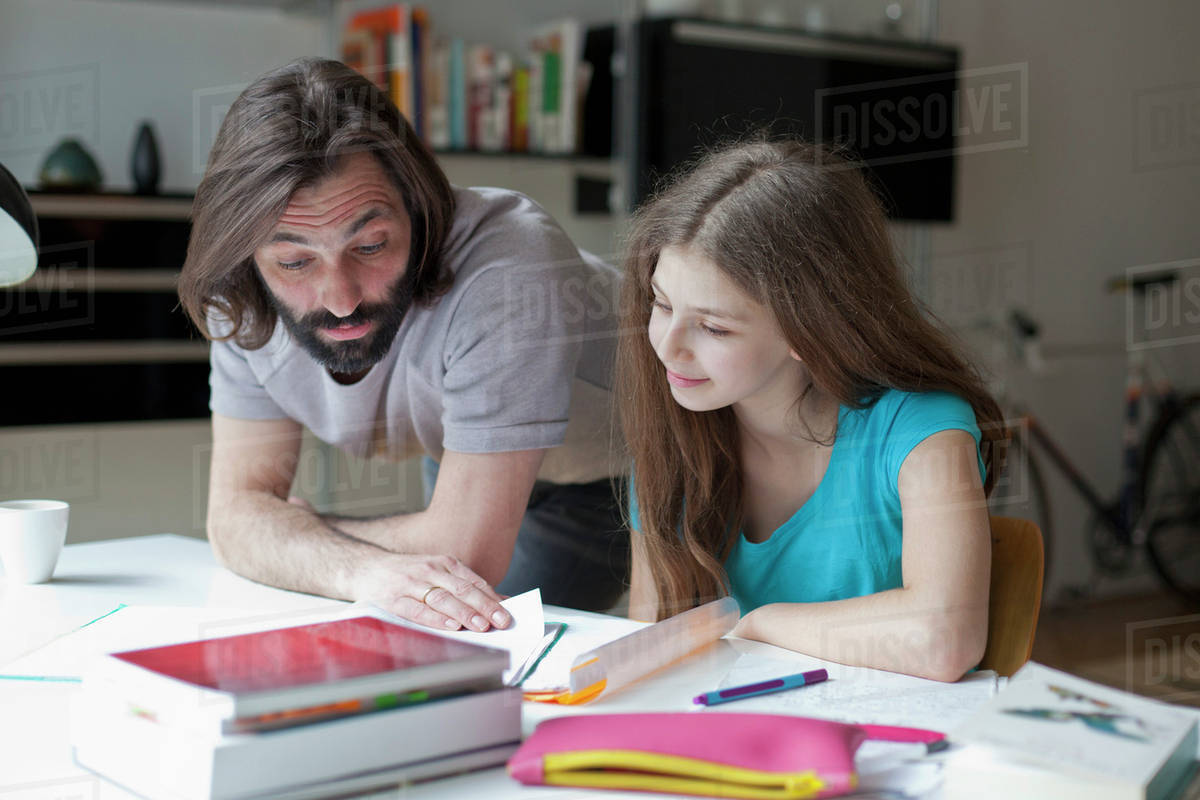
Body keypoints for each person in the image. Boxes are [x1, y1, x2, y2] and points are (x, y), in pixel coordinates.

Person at [179, 58, 628, 632]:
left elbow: (464, 551)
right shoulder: (241, 292)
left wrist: (298, 535)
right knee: (421, 621)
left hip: (635, 461)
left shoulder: (509, 270)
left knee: (499, 639)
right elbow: (234, 519)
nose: (339, 299)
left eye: (369, 246)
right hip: (463, 456)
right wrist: (361, 569)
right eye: (295, 261)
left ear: (419, 208)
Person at [617, 139, 1006, 682]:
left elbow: (943, 639)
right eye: (661, 304)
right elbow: (648, 649)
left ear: (811, 329)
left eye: (713, 326)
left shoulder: (922, 431)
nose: (668, 346)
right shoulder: (675, 436)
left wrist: (760, 624)